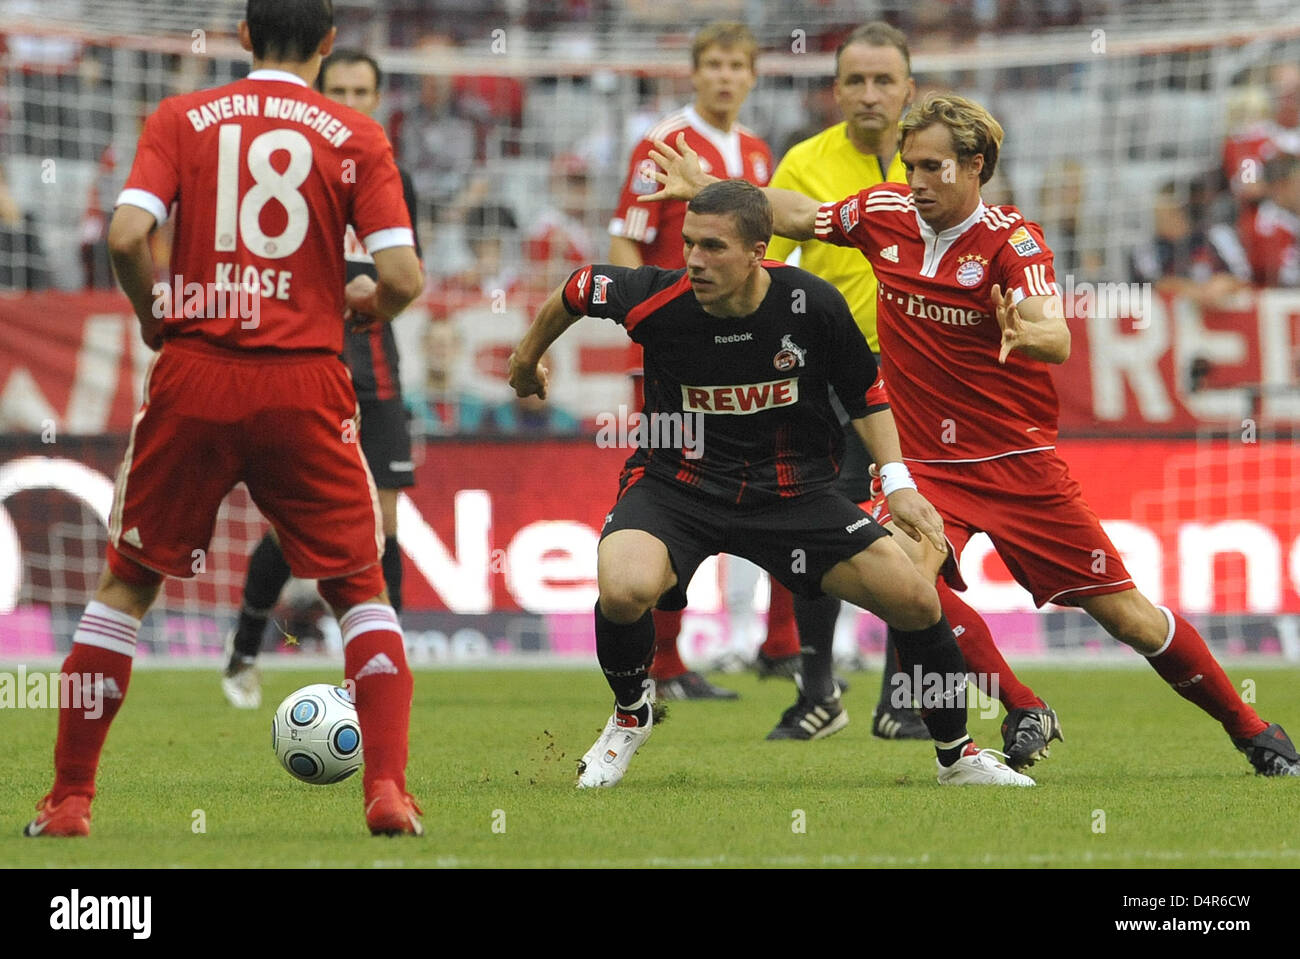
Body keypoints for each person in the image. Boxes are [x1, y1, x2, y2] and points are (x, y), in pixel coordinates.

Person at [646, 93, 1300, 778]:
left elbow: (1052, 328)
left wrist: (1029, 331)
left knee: (1131, 619)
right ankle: (1022, 706)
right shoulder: (882, 213)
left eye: (933, 168)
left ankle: (1252, 727)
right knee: (898, 580)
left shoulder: (1013, 241)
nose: (917, 181)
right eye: (910, 165)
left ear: (976, 165)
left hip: (1018, 464)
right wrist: (719, 196)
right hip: (924, 464)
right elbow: (803, 214)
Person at [25, 0, 427, 838]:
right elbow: (404, 275)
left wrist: (152, 315)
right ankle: (386, 790)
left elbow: (130, 233)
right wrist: (368, 301)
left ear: (243, 37)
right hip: (305, 382)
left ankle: (68, 801)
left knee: (125, 588)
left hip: (196, 376)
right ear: (327, 43)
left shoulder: (182, 117)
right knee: (360, 588)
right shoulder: (353, 133)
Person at [509, 179, 1035, 789]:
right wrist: (525, 358)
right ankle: (631, 715)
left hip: (793, 495)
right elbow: (576, 289)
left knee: (916, 600)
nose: (695, 261)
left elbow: (866, 395)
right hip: (678, 485)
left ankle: (959, 756)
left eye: (714, 247)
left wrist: (897, 482)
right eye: (688, 244)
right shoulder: (657, 298)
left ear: (759, 251)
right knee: (623, 588)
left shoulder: (812, 305)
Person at [222, 46, 424, 710]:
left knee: (385, 516)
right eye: (338, 87)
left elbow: (406, 274)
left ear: (378, 96)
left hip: (375, 361)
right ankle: (246, 648)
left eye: (362, 90)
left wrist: (375, 290)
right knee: (294, 519)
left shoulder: (390, 174)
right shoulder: (286, 165)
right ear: (317, 87)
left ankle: (376, 663)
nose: (350, 99)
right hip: (304, 354)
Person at [607, 20, 792, 701]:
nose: (723, 76)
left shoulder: (756, 150)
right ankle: (663, 660)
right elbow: (627, 241)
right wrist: (648, 324)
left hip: (747, 358)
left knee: (773, 484)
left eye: (735, 65)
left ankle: (780, 643)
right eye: (712, 64)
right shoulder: (661, 144)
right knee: (669, 495)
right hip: (677, 357)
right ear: (695, 72)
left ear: (752, 75)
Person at [762, 21, 929, 742]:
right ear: (836, 91)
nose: (869, 94)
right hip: (826, 377)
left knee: (912, 528)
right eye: (855, 81)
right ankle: (818, 689)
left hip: (920, 378)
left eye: (883, 80)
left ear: (908, 89)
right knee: (812, 527)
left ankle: (902, 699)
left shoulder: (940, 160)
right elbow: (765, 268)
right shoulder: (803, 163)